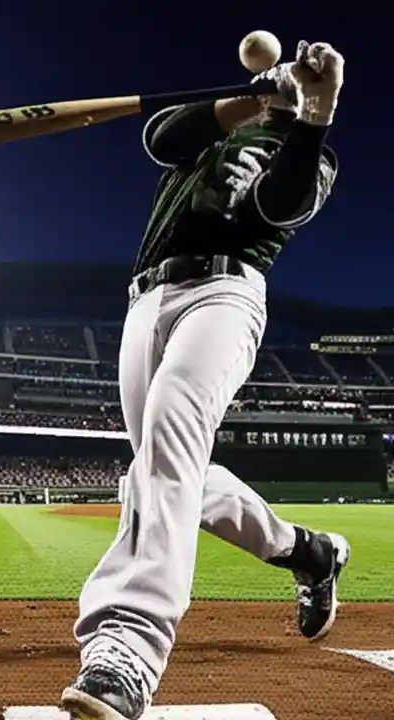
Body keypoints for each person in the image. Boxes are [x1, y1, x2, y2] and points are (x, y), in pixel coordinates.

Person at [60, 41, 352, 720]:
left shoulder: (309, 148)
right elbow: (161, 136)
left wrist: (315, 110)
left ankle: (129, 647)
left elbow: (280, 208)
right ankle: (307, 552)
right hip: (144, 302)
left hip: (225, 294)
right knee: (164, 468)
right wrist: (248, 97)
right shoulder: (213, 132)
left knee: (162, 454)